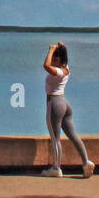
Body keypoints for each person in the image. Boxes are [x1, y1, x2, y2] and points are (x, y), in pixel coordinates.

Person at [41, 41, 94, 178]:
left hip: (54, 103)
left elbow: (45, 66)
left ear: (59, 59)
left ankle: (56, 168)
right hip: (64, 103)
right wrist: (61, 47)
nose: (52, 61)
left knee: (55, 138)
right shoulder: (66, 68)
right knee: (73, 135)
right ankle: (86, 162)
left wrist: (51, 49)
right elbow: (60, 57)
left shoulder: (57, 72)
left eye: (55, 59)